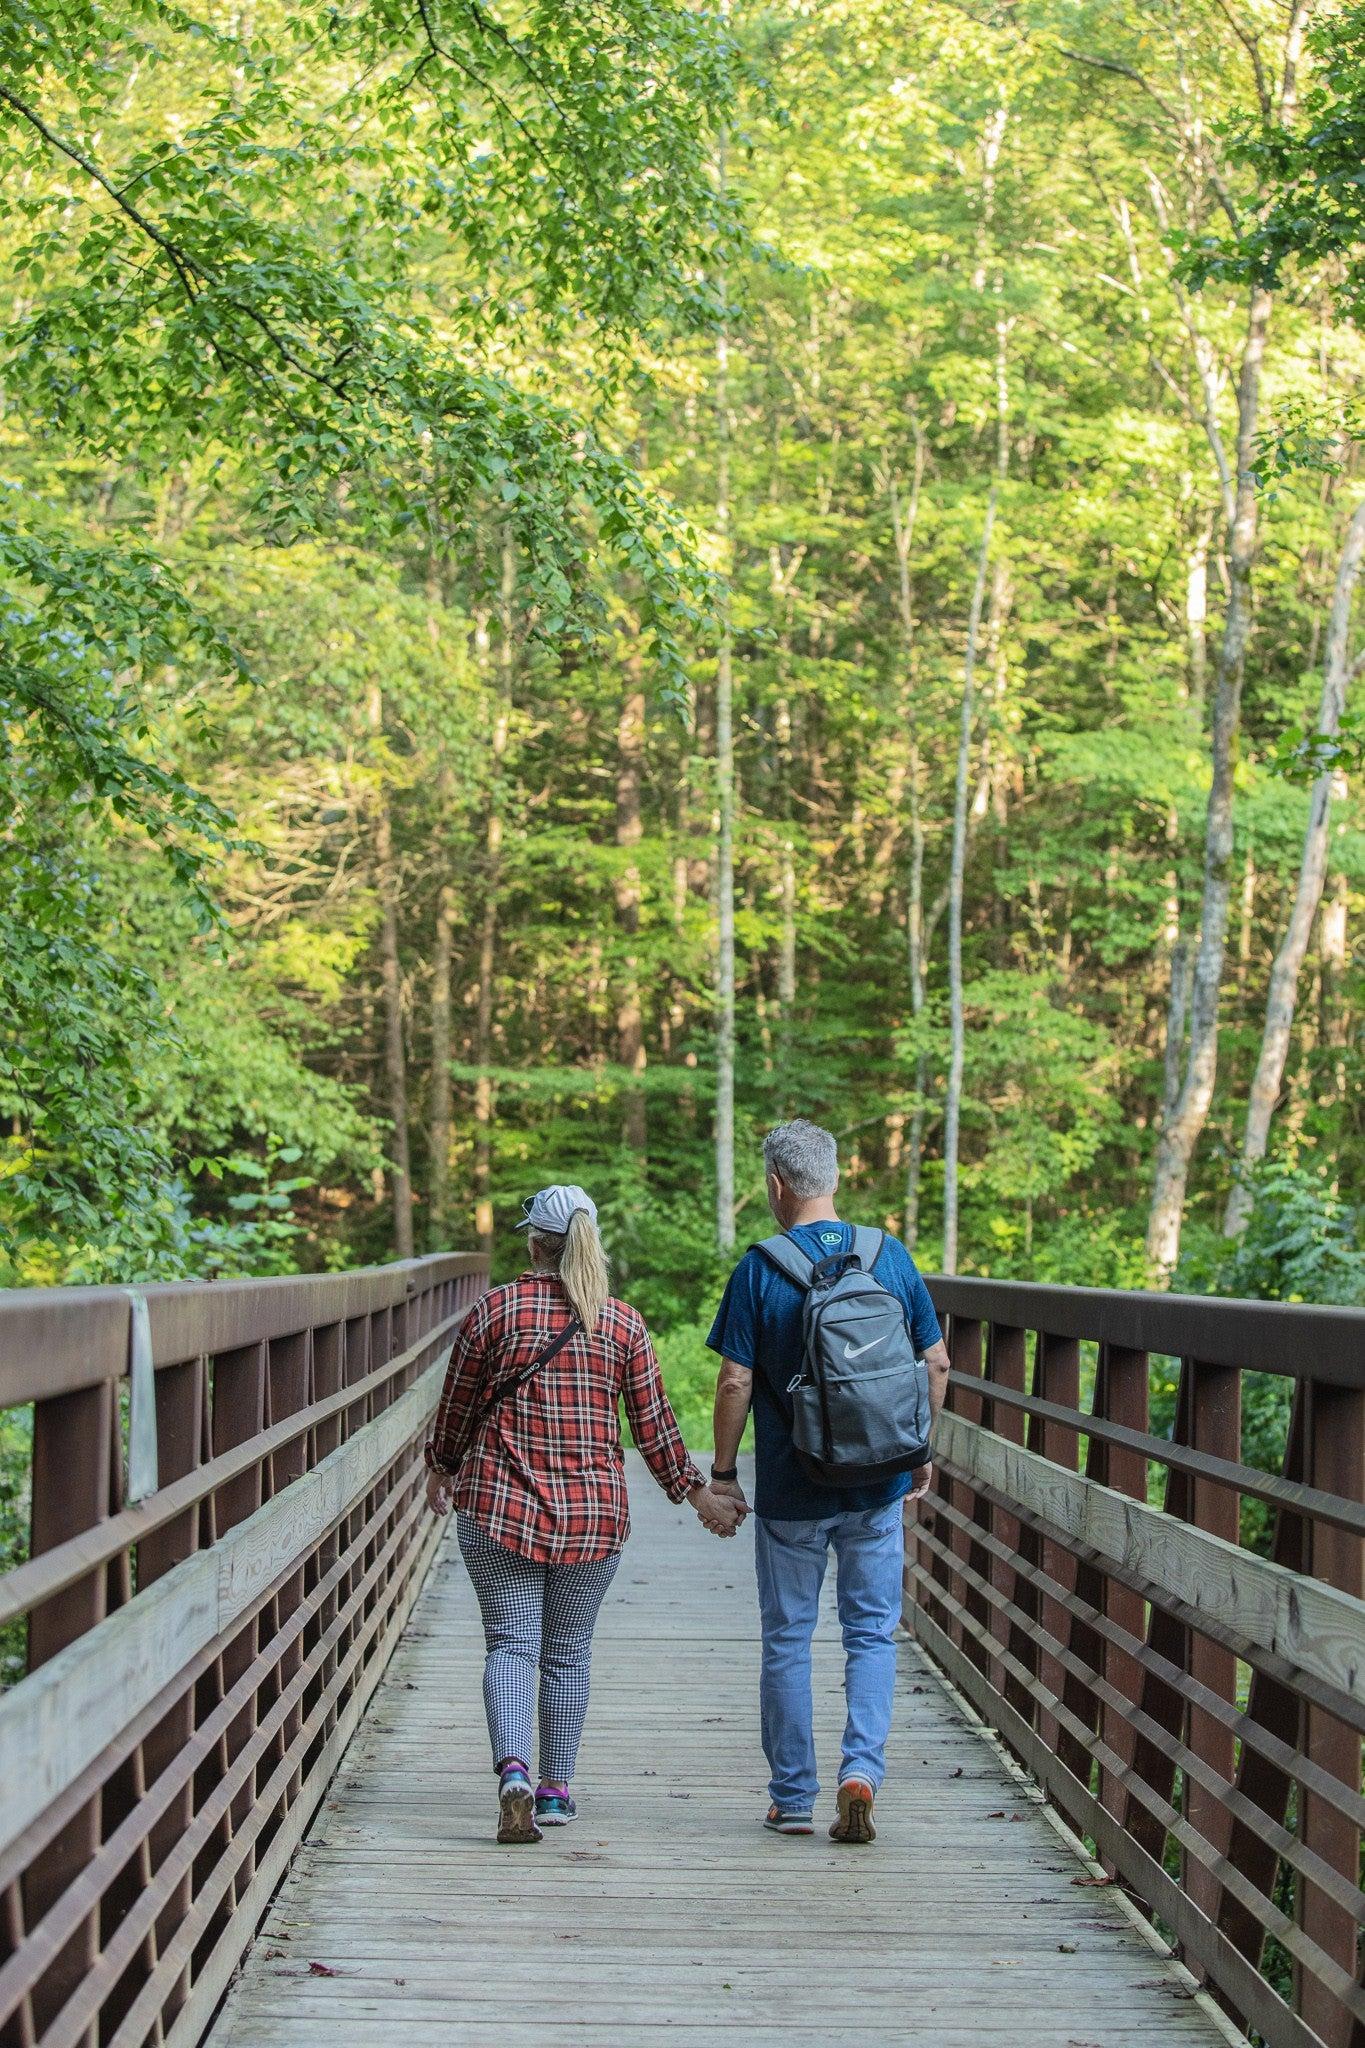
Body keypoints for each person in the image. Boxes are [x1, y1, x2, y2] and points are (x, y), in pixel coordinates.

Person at [425, 1183, 743, 1845]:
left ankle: (512, 1769)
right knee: (567, 1655)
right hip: (592, 1516)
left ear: (534, 1243)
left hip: (499, 1507)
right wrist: (698, 1494)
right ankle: (554, 1792)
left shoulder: (494, 1312)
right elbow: (653, 1428)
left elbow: (455, 1408)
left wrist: (442, 1466)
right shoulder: (621, 1323)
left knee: (510, 1647)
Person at [705, 1119, 950, 1844]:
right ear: (834, 1178)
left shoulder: (760, 1267)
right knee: (870, 1634)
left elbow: (733, 1380)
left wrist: (722, 1474)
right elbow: (935, 1365)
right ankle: (860, 1774)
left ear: (777, 1186)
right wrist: (915, 1449)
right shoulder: (888, 1255)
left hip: (791, 1488)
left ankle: (791, 1797)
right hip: (875, 1484)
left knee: (787, 1636)